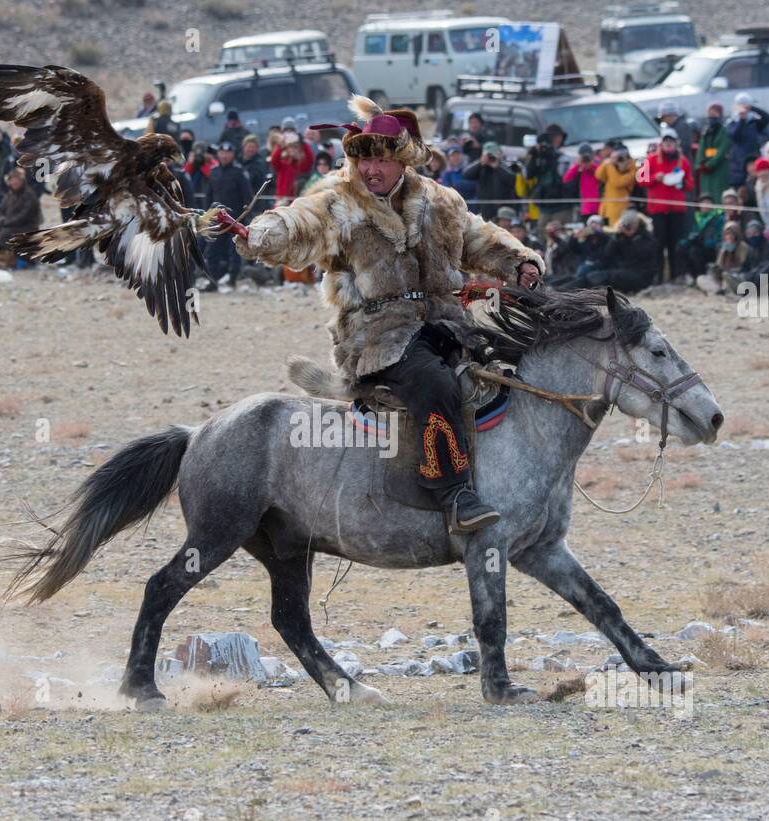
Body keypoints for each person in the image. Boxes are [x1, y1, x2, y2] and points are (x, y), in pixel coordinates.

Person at [214, 96, 543, 533]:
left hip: (448, 322)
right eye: (362, 161)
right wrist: (258, 234)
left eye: (381, 162)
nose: (370, 170)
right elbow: (297, 224)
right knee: (435, 381)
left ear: (403, 161)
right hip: (377, 335)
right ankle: (453, 492)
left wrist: (518, 262)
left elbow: (478, 238)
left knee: (520, 362)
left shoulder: (441, 201)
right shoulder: (337, 203)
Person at [639, 126, 694, 282]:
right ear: (661, 144)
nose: (668, 144)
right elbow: (641, 180)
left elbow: (690, 184)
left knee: (675, 244)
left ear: (676, 144)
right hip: (658, 209)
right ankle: (659, 276)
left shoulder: (683, 161)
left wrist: (682, 181)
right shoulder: (651, 160)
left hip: (677, 209)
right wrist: (655, 178)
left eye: (671, 142)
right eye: (666, 142)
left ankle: (677, 274)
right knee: (659, 243)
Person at [556, 209, 658, 293]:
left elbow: (638, 254)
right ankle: (559, 289)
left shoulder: (646, 237)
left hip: (641, 275)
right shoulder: (621, 237)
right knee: (589, 276)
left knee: (598, 276)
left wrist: (626, 237)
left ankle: (563, 290)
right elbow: (608, 253)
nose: (627, 228)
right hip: (624, 271)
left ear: (636, 224)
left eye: (629, 225)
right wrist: (617, 236)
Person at [199, 140, 253, 290]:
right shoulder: (214, 171)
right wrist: (206, 215)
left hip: (234, 220)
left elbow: (248, 196)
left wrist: (245, 215)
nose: (224, 155)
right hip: (216, 219)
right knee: (211, 251)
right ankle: (212, 281)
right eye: (221, 152)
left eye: (227, 153)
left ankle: (232, 279)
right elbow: (208, 195)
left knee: (234, 250)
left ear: (233, 155)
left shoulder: (239, 172)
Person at [0, 167, 42, 267]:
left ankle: (9, 261)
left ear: (22, 181)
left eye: (16, 180)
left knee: (5, 234)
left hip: (27, 226)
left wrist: (7, 222)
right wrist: (2, 220)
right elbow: (0, 210)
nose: (14, 182)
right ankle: (2, 260)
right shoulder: (9, 195)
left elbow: (24, 215)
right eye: (12, 180)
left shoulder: (29, 195)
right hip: (11, 225)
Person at [459, 141, 517, 220]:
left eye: (493, 154)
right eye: (488, 155)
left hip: (503, 209)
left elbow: (512, 179)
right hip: (485, 208)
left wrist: (497, 167)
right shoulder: (481, 167)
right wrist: (480, 163)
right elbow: (466, 175)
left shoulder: (505, 166)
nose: (491, 157)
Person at [726, 94, 769, 190]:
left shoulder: (753, 122)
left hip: (753, 160)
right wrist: (742, 121)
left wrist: (752, 108)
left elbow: (767, 118)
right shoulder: (731, 123)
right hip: (738, 164)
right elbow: (735, 136)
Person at [679, 195, 724, 278]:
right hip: (698, 246)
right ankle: (690, 275)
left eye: (708, 203)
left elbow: (719, 237)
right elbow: (689, 234)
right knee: (681, 248)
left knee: (694, 251)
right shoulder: (695, 217)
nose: (706, 206)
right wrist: (688, 241)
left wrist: (705, 242)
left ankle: (701, 276)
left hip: (712, 249)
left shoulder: (718, 218)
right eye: (703, 203)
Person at [696, 102, 731, 202]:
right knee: (706, 196)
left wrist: (710, 164)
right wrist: (701, 163)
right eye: (709, 115)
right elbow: (701, 149)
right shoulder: (706, 132)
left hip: (719, 169)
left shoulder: (724, 131)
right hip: (706, 171)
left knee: (718, 195)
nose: (711, 118)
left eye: (714, 115)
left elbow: (721, 150)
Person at [595, 145, 637, 224]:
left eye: (622, 158)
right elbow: (598, 175)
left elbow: (617, 182)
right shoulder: (610, 166)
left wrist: (610, 166)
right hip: (606, 209)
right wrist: (606, 162)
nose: (620, 160)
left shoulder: (632, 170)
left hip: (621, 210)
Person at [269, 131, 312, 203]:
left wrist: (304, 144)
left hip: (296, 201)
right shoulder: (282, 164)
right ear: (287, 149)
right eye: (290, 147)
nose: (293, 149)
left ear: (299, 149)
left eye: (295, 147)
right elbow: (274, 159)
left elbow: (310, 160)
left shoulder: (301, 165)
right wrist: (281, 146)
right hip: (282, 200)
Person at [561, 143, 601, 218]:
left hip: (599, 207)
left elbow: (601, 176)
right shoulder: (578, 167)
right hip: (585, 208)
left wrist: (591, 165)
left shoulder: (598, 164)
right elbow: (565, 179)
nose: (586, 159)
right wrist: (577, 165)